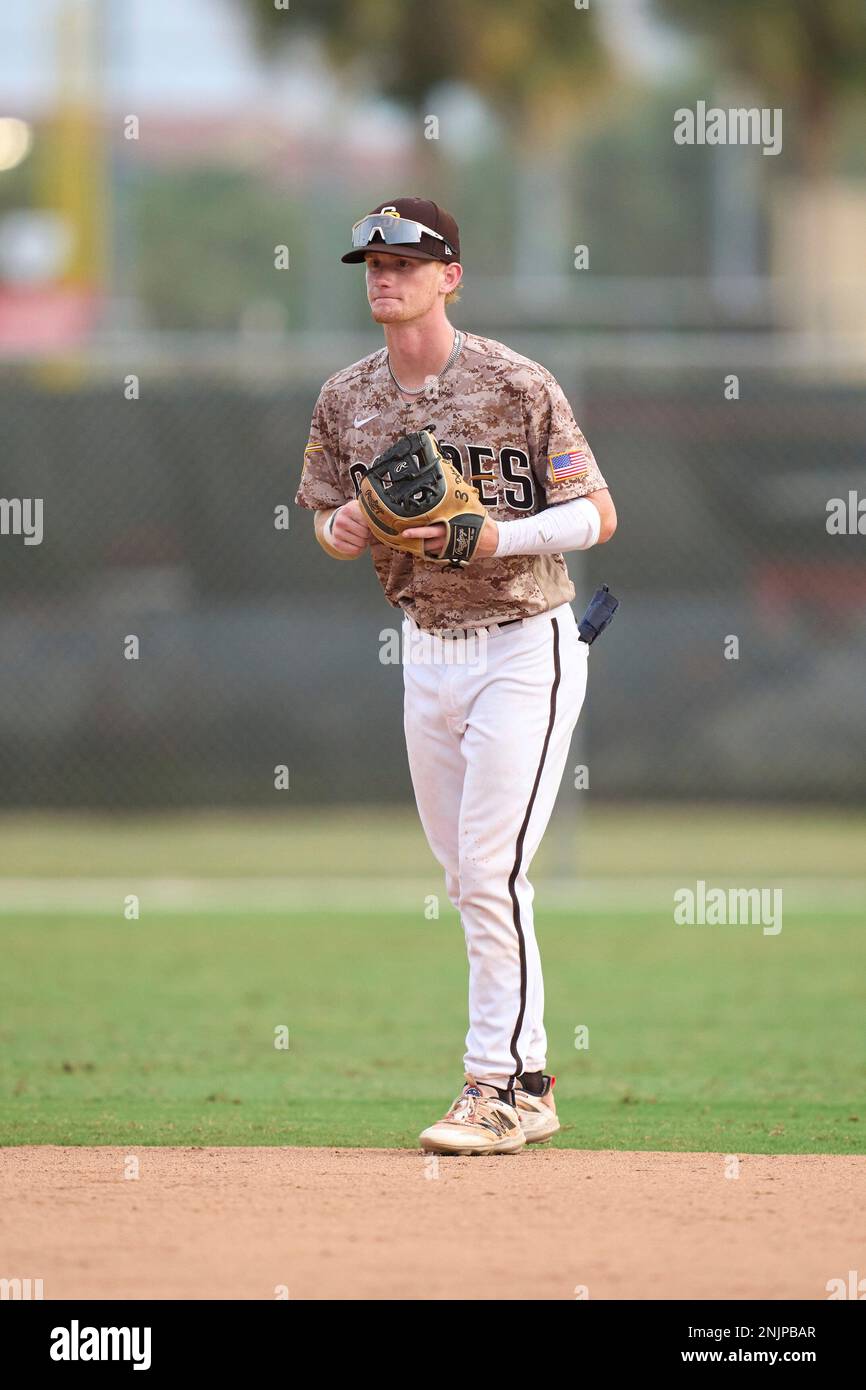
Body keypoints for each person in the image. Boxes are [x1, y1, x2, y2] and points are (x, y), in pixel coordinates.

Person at [295, 197, 617, 1155]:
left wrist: (500, 534)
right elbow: (321, 516)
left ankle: (500, 1086)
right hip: (424, 651)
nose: (384, 276)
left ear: (451, 276)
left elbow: (596, 512)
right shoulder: (346, 397)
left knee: (489, 871)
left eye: (405, 261)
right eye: (372, 263)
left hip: (525, 644)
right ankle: (525, 1083)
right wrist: (338, 531)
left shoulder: (515, 383)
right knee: (466, 877)